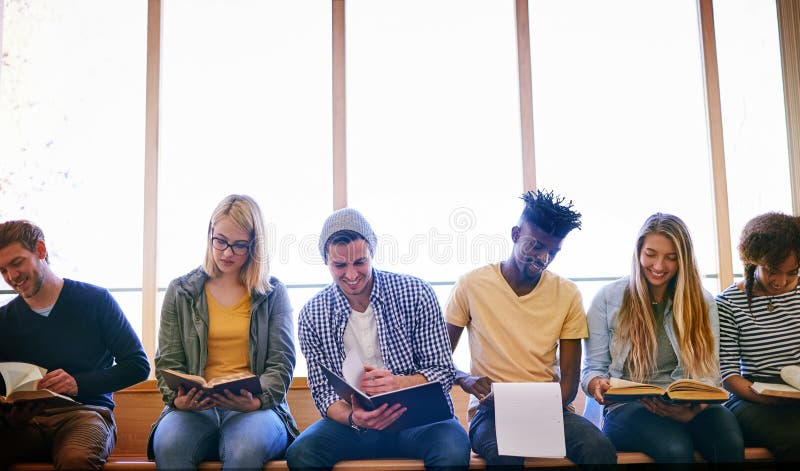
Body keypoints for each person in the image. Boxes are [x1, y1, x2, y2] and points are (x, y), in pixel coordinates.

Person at [286, 208, 470, 471]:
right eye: (339, 265)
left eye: (360, 262)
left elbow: (442, 371)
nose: (351, 275)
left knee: (453, 448)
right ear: (326, 261)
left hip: (419, 421)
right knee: (301, 453)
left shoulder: (415, 293)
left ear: (372, 252)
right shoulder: (312, 315)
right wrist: (353, 417)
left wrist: (397, 383)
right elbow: (323, 392)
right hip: (356, 426)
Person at [445, 189, 617, 468]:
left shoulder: (568, 294)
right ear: (515, 234)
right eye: (535, 246)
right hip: (491, 413)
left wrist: (534, 406)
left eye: (553, 251)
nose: (543, 258)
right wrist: (465, 378)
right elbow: (437, 359)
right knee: (506, 455)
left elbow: (570, 385)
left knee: (600, 450)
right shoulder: (471, 285)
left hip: (550, 411)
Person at [149, 194, 298, 469]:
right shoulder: (181, 291)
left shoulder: (273, 294)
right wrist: (178, 400)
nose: (227, 253)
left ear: (255, 245)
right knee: (169, 445)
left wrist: (257, 400)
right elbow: (167, 362)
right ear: (210, 235)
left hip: (257, 409)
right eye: (220, 241)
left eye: (239, 245)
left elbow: (281, 364)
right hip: (195, 409)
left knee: (244, 449)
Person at [582, 213, 744, 465]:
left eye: (671, 258)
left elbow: (710, 375)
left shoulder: (702, 301)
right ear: (638, 253)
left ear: (684, 260)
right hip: (628, 409)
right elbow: (592, 370)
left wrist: (691, 411)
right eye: (651, 254)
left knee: (729, 441)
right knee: (675, 449)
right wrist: (597, 385)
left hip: (688, 406)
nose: (659, 266)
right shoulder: (607, 298)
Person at [0, 220, 150, 470]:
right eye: (3, 270)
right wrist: (10, 416)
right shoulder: (4, 320)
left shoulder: (95, 300)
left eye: (16, 263)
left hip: (86, 415)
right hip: (25, 425)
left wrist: (77, 384)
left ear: (40, 250)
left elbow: (138, 365)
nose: (12, 277)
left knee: (76, 460)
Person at [717, 212, 800, 463]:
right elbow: (729, 375)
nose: (781, 281)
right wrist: (767, 398)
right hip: (751, 398)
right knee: (795, 440)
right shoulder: (728, 302)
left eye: (793, 272)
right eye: (773, 271)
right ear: (754, 261)